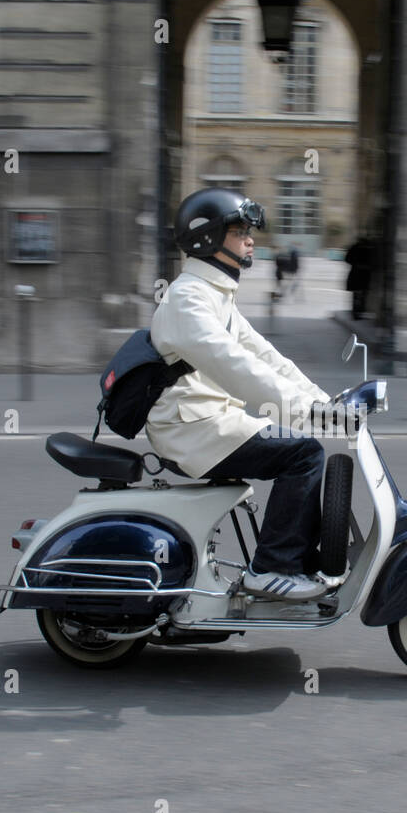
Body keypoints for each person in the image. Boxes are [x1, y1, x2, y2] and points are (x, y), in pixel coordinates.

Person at [146, 188, 333, 601]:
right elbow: (237, 368)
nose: (250, 239)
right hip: (193, 430)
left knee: (303, 446)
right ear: (208, 238)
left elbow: (265, 356)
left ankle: (298, 560)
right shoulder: (188, 299)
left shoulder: (213, 294)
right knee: (303, 453)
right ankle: (271, 569)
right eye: (240, 231)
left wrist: (324, 402)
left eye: (249, 231)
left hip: (209, 420)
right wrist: (309, 414)